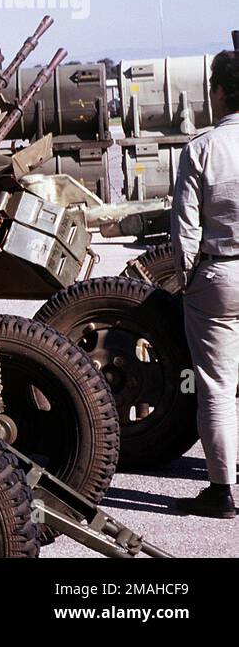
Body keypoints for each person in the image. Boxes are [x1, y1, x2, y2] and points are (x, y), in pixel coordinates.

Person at [172, 49, 239, 519]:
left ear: (218, 91)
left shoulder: (201, 148)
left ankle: (221, 492)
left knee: (217, 385)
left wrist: (188, 279)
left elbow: (185, 231)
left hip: (220, 275)